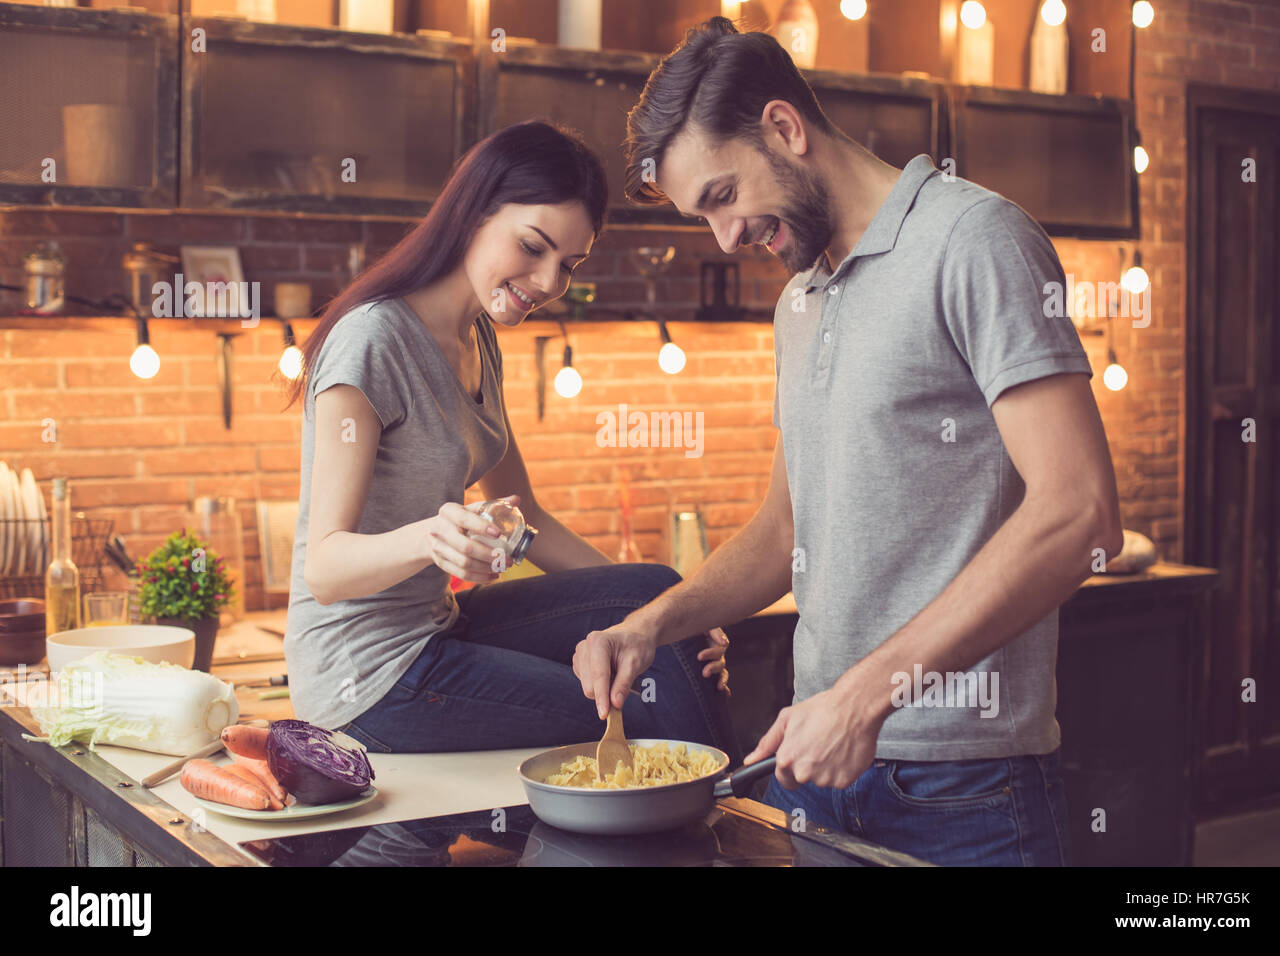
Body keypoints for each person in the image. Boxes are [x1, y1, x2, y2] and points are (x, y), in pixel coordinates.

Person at [571, 18, 1123, 866]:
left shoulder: (975, 242)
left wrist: (866, 697)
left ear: (785, 129)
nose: (725, 238)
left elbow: (1080, 514)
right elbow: (781, 534)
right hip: (817, 773)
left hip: (966, 791)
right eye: (701, 216)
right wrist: (651, 623)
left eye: (723, 196)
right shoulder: (803, 300)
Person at [282, 121, 736, 758]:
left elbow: (529, 518)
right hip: (368, 680)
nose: (551, 282)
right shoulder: (373, 340)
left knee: (652, 589)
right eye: (532, 246)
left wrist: (673, 617)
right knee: (633, 710)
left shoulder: (478, 339)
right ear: (472, 214)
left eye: (568, 264)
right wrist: (430, 537)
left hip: (439, 630)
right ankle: (725, 822)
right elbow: (324, 570)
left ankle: (726, 809)